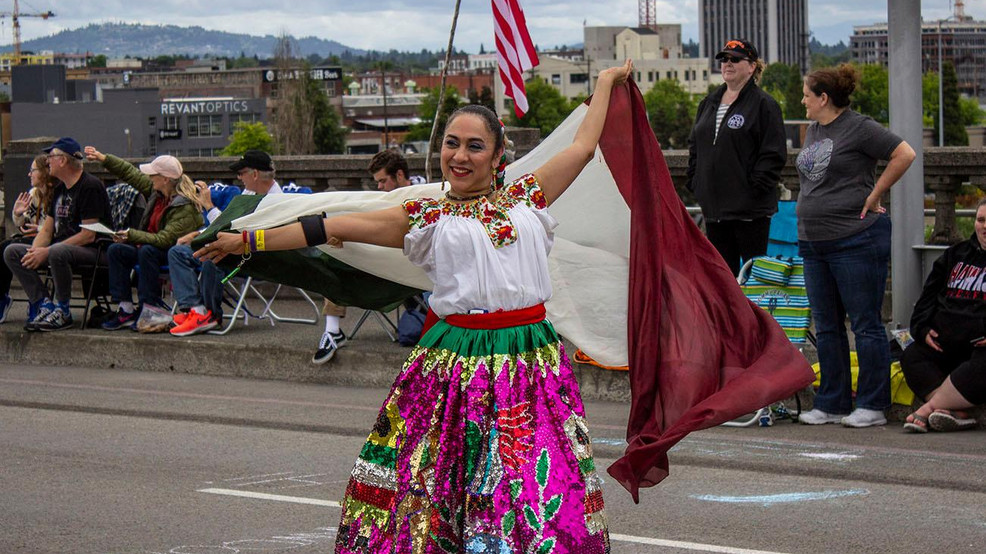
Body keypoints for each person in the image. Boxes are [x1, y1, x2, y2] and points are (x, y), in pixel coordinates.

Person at [195, 59, 633, 553]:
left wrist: (604, 83)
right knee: (439, 480)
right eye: (451, 143)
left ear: (498, 154)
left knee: (536, 483)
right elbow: (327, 225)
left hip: (529, 359)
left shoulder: (528, 196)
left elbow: (582, 146)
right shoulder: (424, 216)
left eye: (474, 146)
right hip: (458, 361)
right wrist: (249, 240)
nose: (459, 156)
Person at [794, 64, 916, 427]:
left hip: (855, 239)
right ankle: (831, 402)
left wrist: (875, 193)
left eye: (806, 95)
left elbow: (905, 154)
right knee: (827, 325)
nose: (802, 101)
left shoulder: (860, 127)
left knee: (864, 323)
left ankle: (872, 404)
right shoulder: (815, 129)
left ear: (824, 98)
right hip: (814, 241)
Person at [312, 148, 424, 365]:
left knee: (341, 256)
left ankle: (333, 331)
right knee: (335, 259)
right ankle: (332, 331)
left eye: (382, 181)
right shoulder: (382, 200)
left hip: (411, 270)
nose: (379, 187)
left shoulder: (424, 197)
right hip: (382, 263)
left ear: (400, 175)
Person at [686, 38, 787, 275]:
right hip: (714, 211)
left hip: (750, 213)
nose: (727, 64)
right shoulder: (708, 103)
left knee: (752, 277)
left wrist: (752, 190)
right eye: (724, 59)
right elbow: (695, 146)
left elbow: (773, 154)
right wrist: (696, 183)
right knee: (722, 279)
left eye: (735, 59)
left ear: (751, 67)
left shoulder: (764, 104)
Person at [83, 148, 205, 330]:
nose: (149, 177)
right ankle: (125, 309)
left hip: (172, 252)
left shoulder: (184, 206)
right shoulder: (157, 192)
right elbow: (129, 173)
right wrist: (103, 158)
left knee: (148, 251)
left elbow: (165, 240)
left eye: (153, 174)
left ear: (165, 179)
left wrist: (131, 235)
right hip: (150, 247)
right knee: (116, 250)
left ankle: (150, 307)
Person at [167, 149, 282, 336]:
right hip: (234, 248)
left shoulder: (275, 202)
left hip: (255, 258)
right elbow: (230, 224)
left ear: (254, 174)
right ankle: (196, 310)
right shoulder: (249, 193)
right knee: (178, 252)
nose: (239, 178)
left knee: (214, 259)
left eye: (241, 173)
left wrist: (208, 206)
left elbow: (235, 231)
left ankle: (212, 316)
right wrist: (198, 233)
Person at [4, 137, 111, 331]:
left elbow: (88, 235)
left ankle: (63, 310)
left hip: (93, 250)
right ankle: (44, 303)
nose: (48, 162)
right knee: (12, 252)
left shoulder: (90, 186)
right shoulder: (60, 189)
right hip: (60, 249)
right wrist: (34, 252)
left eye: (51, 157)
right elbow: (47, 230)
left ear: (63, 160)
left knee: (56, 251)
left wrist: (47, 251)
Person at [899, 197, 986, 433]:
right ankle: (955, 412)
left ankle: (929, 408)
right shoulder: (955, 255)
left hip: (979, 350)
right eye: (980, 220)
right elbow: (925, 302)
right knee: (911, 355)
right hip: (944, 345)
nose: (984, 226)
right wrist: (923, 330)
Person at [0, 154, 55, 323]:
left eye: (33, 170)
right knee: (4, 246)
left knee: (10, 248)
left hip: (51, 241)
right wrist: (17, 214)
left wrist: (39, 229)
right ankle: (2, 297)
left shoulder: (56, 194)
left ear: (44, 172)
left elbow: (56, 228)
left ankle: (38, 300)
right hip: (35, 238)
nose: (29, 174)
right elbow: (24, 225)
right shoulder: (34, 194)